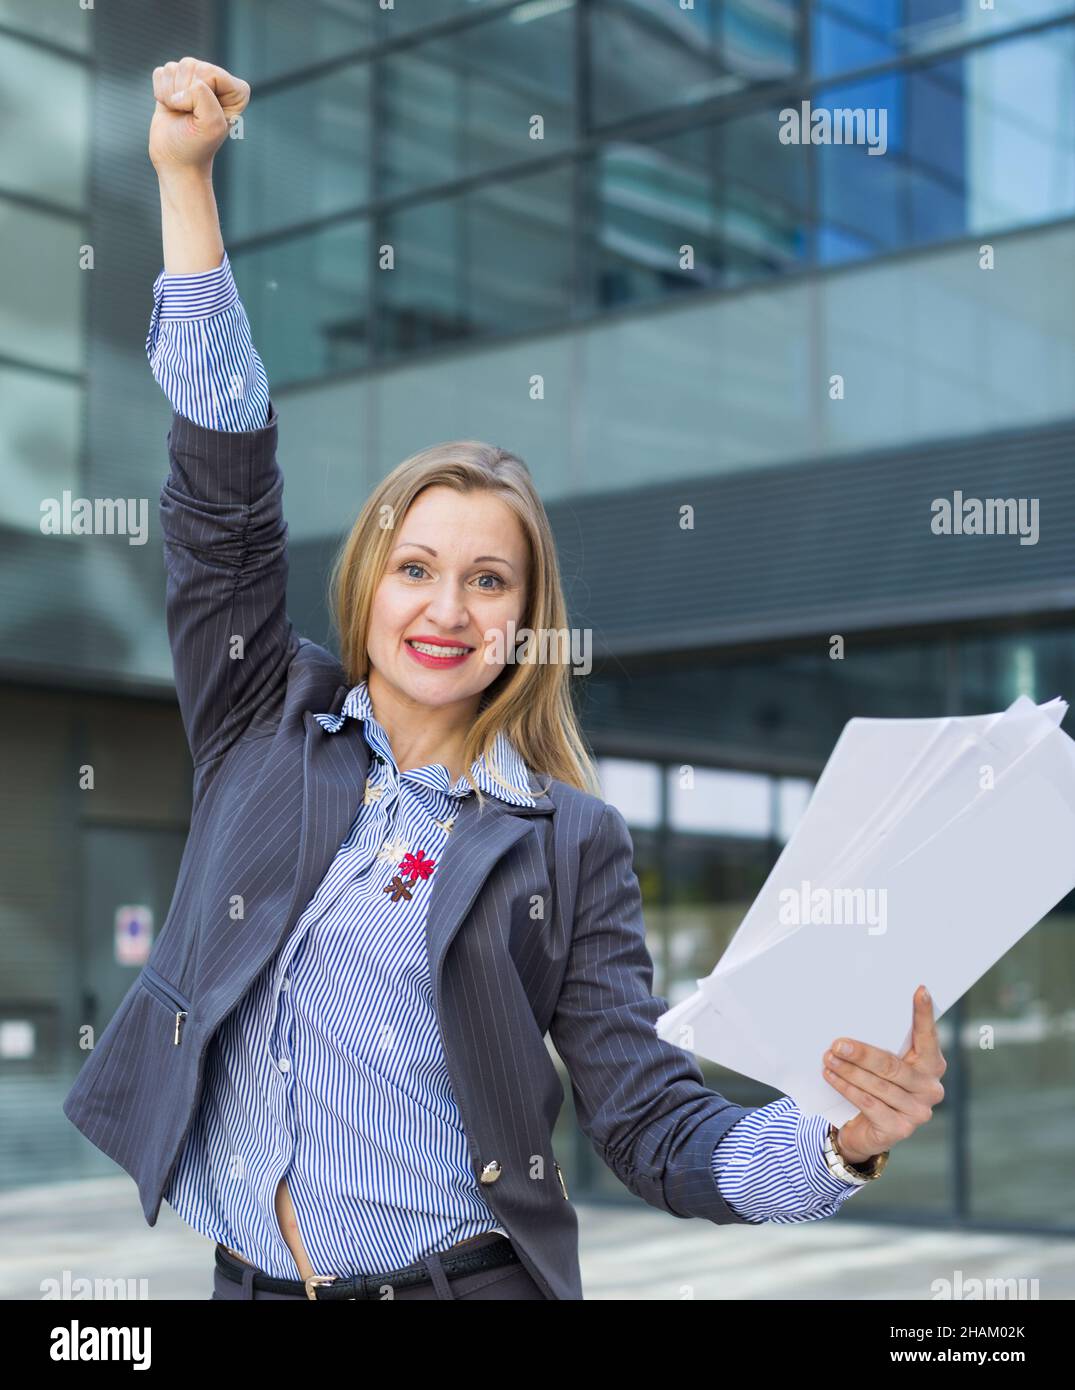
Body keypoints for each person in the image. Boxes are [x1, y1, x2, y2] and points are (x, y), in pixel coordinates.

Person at [62, 57, 946, 1302]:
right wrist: (183, 177)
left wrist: (839, 1140)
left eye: (489, 581)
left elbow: (648, 1126)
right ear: (368, 582)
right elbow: (221, 485)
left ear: (527, 621)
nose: (445, 606)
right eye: (416, 566)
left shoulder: (564, 843)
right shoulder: (264, 713)